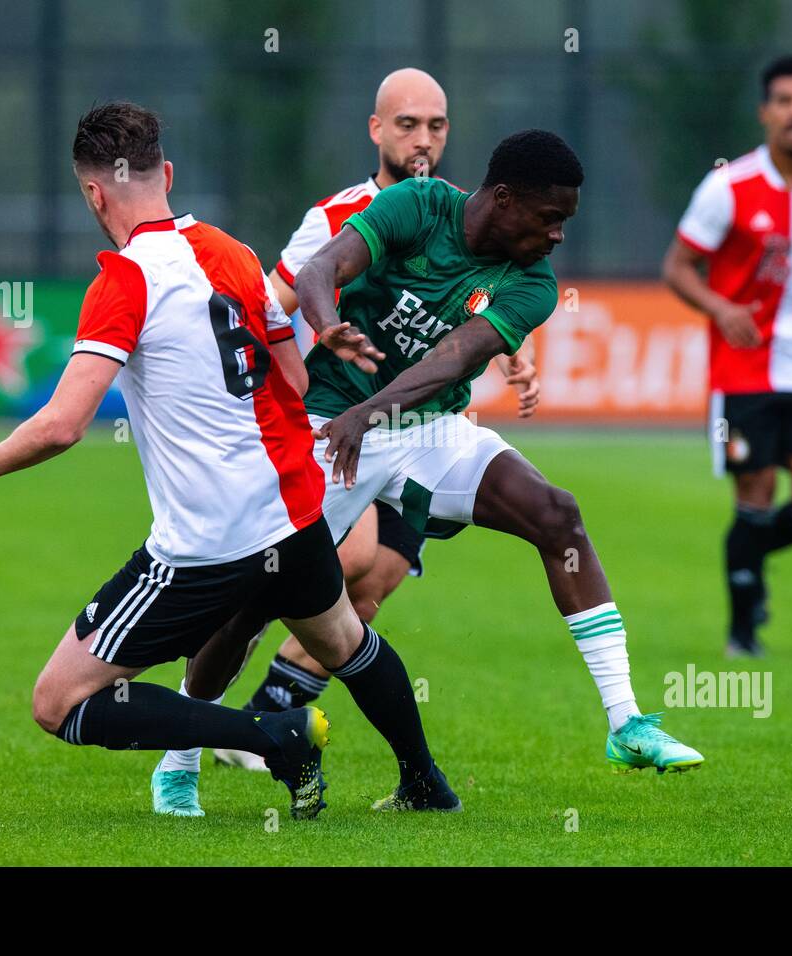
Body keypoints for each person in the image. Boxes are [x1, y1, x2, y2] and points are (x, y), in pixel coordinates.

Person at [0, 101, 449, 820]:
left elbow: (62, 426)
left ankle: (274, 736)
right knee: (345, 640)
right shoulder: (234, 253)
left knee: (57, 703)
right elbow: (298, 382)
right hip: (292, 506)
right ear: (167, 173)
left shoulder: (124, 280)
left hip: (207, 541)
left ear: (93, 193)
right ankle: (427, 784)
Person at [188, 128, 705, 805]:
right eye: (550, 218)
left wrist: (372, 412)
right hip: (327, 428)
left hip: (426, 428)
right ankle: (179, 758)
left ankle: (625, 722)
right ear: (503, 198)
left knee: (558, 515)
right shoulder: (420, 206)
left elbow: (455, 360)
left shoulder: (533, 284)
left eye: (566, 222)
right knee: (251, 601)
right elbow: (320, 271)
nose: (557, 236)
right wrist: (329, 323)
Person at [156, 68, 539, 792]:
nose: (422, 139)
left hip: (419, 437)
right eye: (407, 125)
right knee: (292, 581)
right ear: (376, 130)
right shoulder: (338, 216)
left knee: (372, 584)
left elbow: (473, 310)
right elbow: (270, 307)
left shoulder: (458, 214)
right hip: (334, 429)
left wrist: (515, 356)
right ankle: (199, 738)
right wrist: (289, 373)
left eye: (435, 125)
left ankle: (273, 716)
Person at [662, 55, 792, 657]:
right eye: (784, 101)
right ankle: (743, 632)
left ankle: (748, 561)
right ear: (766, 112)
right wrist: (721, 309)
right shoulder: (728, 187)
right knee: (752, 495)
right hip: (743, 368)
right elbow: (676, 267)